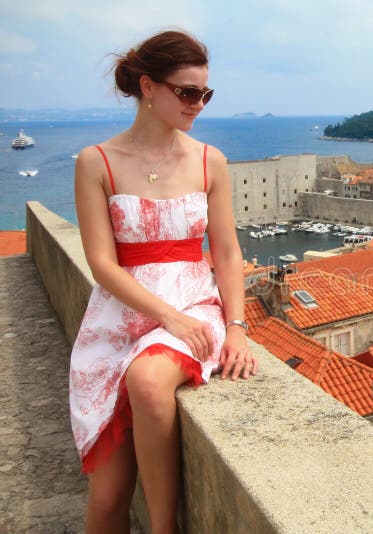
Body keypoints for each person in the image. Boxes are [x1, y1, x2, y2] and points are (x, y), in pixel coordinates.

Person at [69, 30, 258, 534]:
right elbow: (101, 264)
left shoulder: (208, 161)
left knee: (150, 382)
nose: (198, 104)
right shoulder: (96, 162)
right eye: (187, 92)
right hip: (118, 319)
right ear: (148, 87)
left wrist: (235, 327)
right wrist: (164, 316)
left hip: (193, 304)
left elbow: (225, 251)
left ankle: (163, 527)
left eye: (205, 94)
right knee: (107, 500)